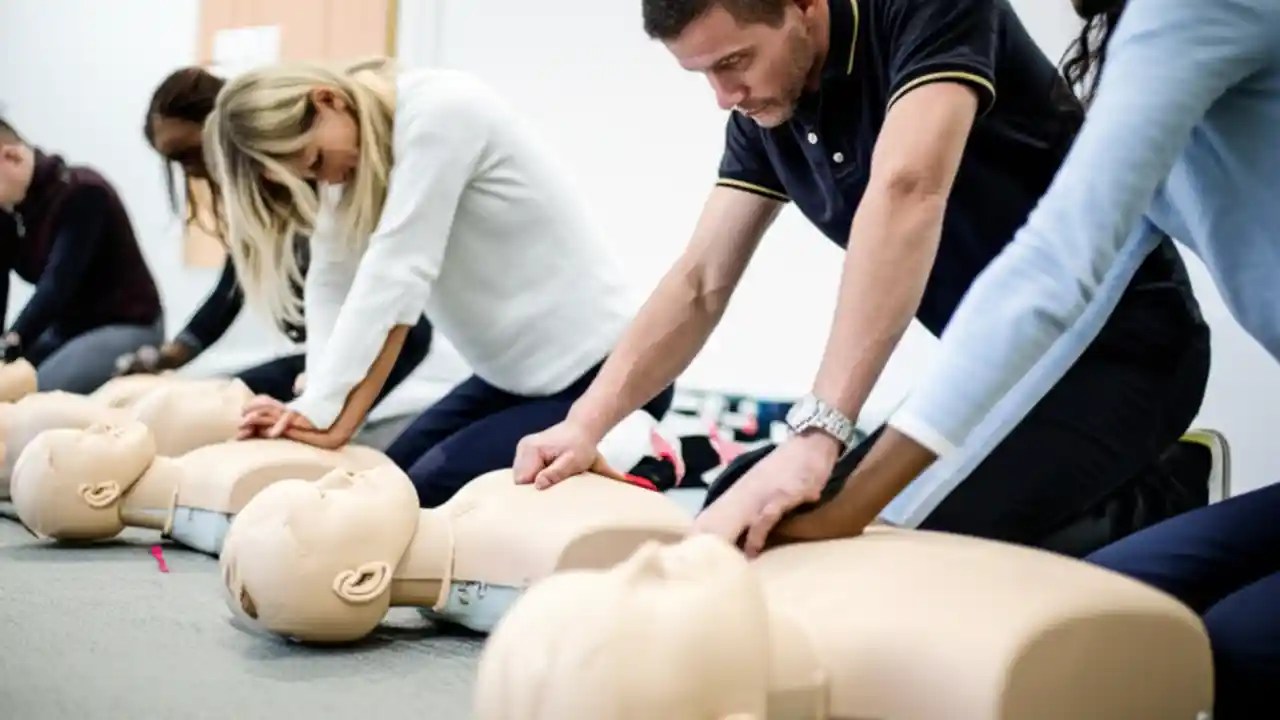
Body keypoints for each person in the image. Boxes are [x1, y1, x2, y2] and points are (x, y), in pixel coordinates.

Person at [514, 0, 1218, 558]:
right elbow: (701, 280)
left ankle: (1160, 498)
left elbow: (908, 188)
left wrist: (819, 434)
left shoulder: (925, 11)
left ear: (804, 6)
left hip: (1125, 349)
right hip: (993, 376)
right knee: (753, 510)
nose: (724, 96)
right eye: (704, 74)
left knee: (898, 543)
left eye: (735, 62)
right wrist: (585, 426)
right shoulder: (766, 108)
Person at [744, 0, 1279, 715]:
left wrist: (857, 498)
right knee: (1104, 609)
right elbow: (1051, 293)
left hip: (1147, 363)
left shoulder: (1191, 10)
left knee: (1238, 645)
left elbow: (1047, 264)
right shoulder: (1127, 51)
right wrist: (861, 493)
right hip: (1094, 365)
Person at [207, 58, 671, 508]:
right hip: (508, 380)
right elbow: (331, 280)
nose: (323, 178)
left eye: (315, 160)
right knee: (389, 480)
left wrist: (330, 415)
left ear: (328, 100)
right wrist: (311, 402)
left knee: (421, 494)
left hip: (605, 372)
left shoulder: (442, 112)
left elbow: (397, 272)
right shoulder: (356, 152)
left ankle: (658, 451)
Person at [116, 66, 435, 404]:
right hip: (343, 345)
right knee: (224, 398)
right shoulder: (271, 199)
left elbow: (367, 284)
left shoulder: (318, 176)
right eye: (177, 162)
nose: (191, 170)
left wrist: (325, 406)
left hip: (387, 336)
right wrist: (168, 357)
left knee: (231, 402)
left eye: (190, 154)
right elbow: (232, 290)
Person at [0, 117, 165, 393]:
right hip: (65, 331)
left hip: (127, 324)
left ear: (11, 156)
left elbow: (56, 286)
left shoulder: (83, 192)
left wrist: (11, 343)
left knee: (36, 390)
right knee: (10, 386)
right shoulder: (8, 211)